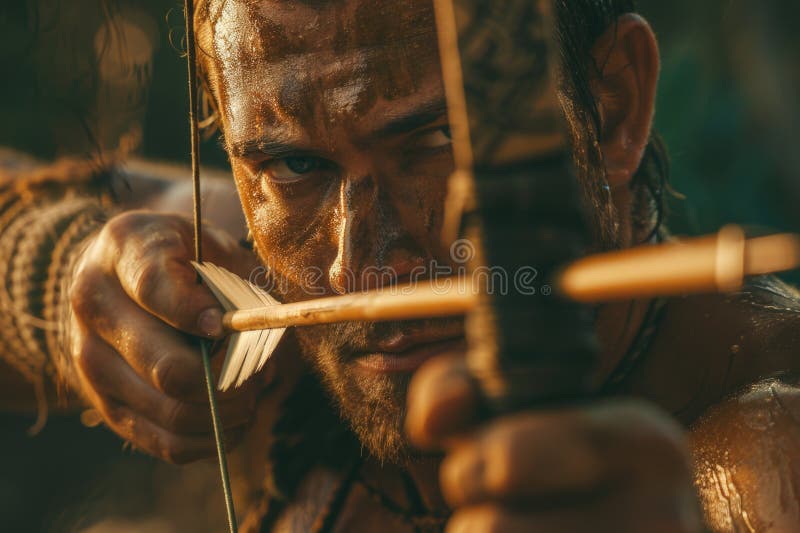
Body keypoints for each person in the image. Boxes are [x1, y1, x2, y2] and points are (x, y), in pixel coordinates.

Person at [2, 1, 799, 531]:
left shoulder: (765, 454)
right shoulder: (251, 282)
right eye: (295, 163)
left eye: (435, 141)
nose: (359, 267)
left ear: (613, 105)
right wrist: (67, 278)